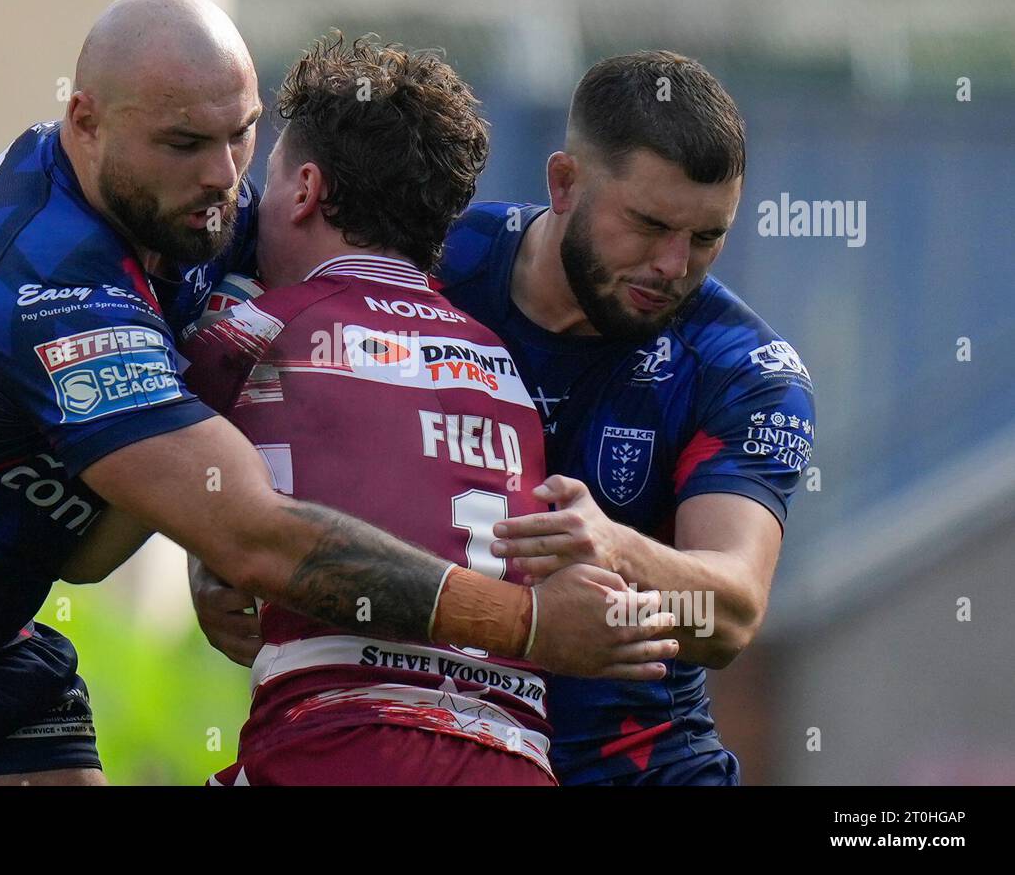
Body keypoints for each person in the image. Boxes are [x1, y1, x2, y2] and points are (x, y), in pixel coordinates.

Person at [0, 0, 674, 786]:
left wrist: (647, 264)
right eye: (185, 145)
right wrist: (530, 622)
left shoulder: (185, 204)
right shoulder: (49, 285)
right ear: (85, 122)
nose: (223, 181)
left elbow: (386, 238)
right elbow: (253, 531)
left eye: (243, 137)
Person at [191, 50, 816, 786]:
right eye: (648, 225)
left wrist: (619, 548)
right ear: (563, 183)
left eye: (708, 238)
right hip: (433, 743)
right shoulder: (434, 264)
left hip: (645, 769)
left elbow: (732, 613)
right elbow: (259, 371)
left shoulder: (742, 368)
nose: (673, 265)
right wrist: (215, 553)